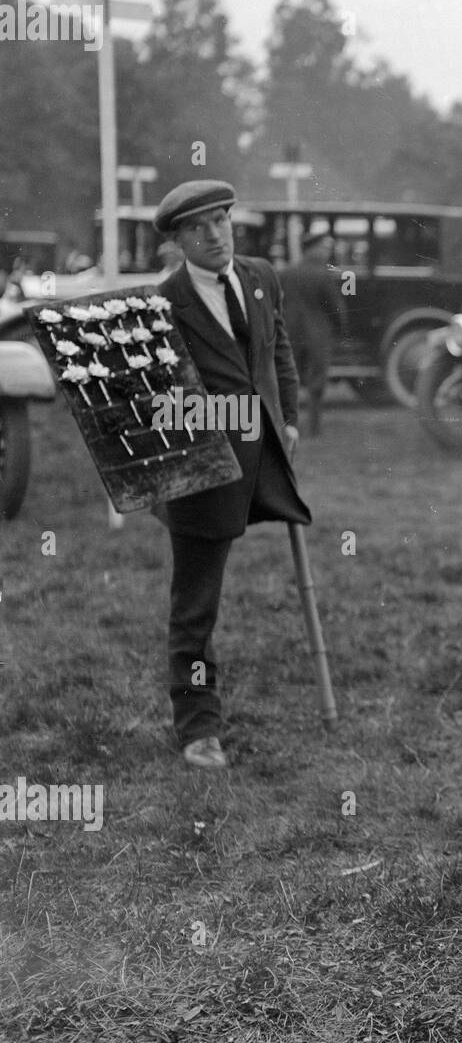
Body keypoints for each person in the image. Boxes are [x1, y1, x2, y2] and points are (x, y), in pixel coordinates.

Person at [152, 180, 313, 769]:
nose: (214, 235)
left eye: (221, 221)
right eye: (198, 228)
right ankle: (198, 727)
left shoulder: (260, 277)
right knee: (196, 602)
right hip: (204, 470)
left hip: (268, 456)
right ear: (177, 242)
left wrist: (288, 419)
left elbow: (279, 350)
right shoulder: (164, 304)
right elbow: (162, 402)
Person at [279, 230, 346, 436]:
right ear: (313, 249)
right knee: (317, 383)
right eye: (324, 248)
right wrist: (341, 329)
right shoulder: (324, 274)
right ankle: (314, 428)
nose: (327, 252)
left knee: (291, 380)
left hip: (290, 334)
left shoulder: (286, 273)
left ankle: (288, 425)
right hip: (318, 335)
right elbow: (336, 308)